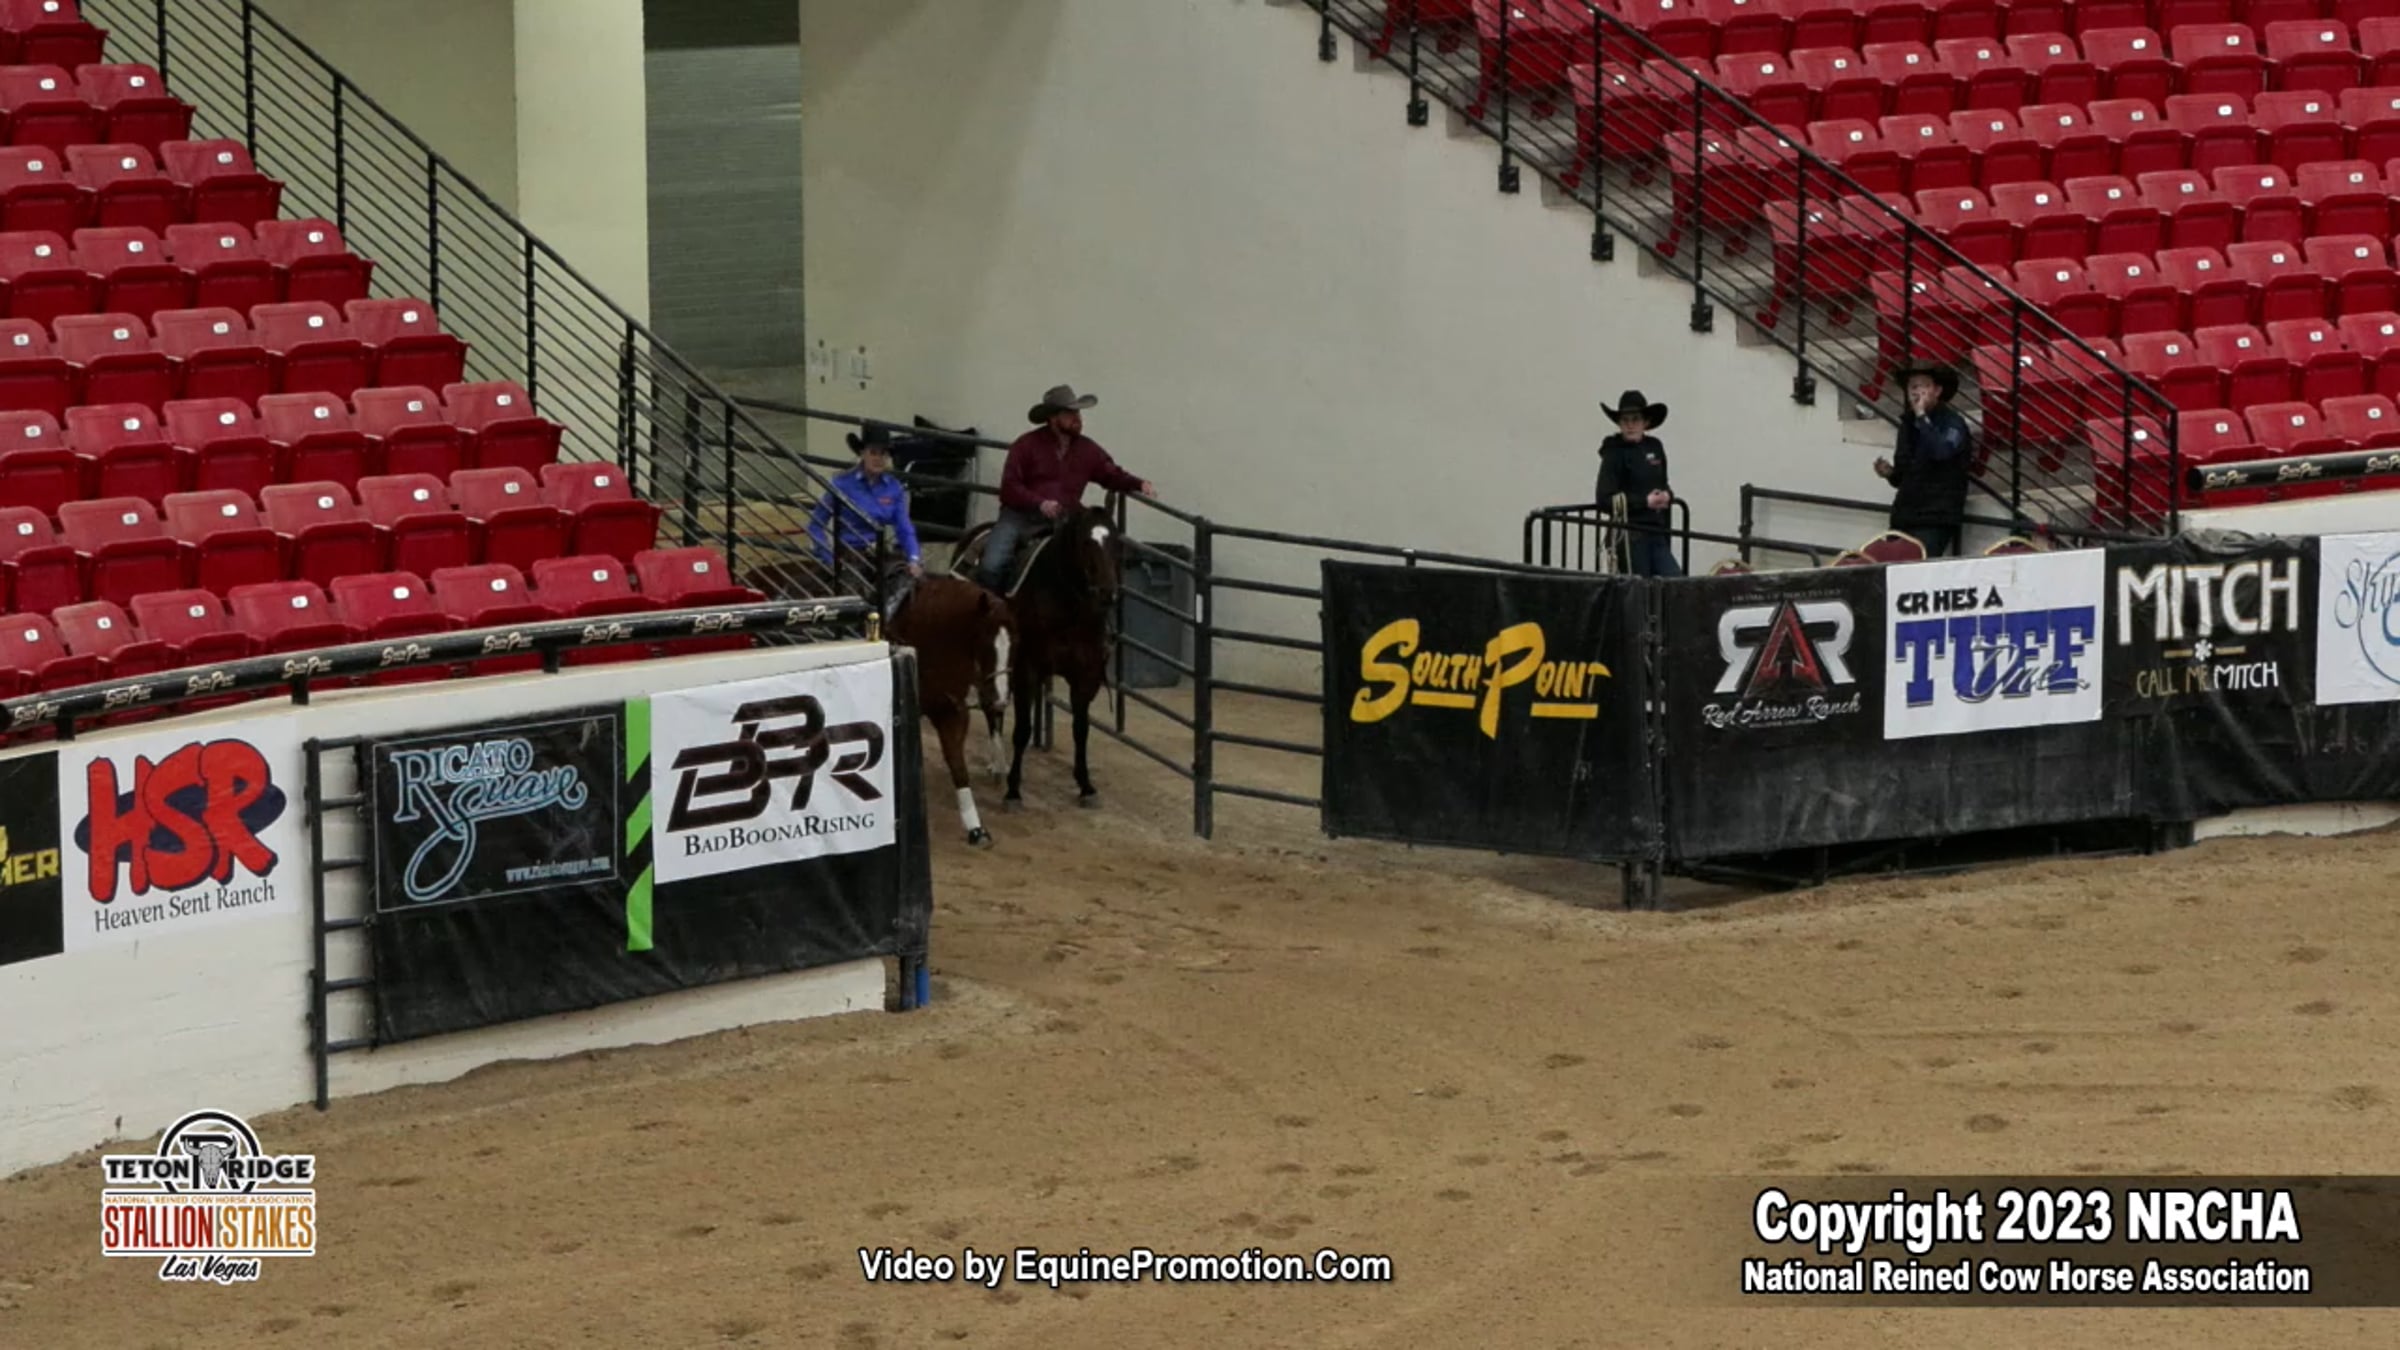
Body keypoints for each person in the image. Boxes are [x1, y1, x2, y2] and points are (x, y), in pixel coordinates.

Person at [974, 383, 1156, 592]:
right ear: (1053, 418)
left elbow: (1110, 473)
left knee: (1097, 557)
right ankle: (994, 613)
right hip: (1019, 517)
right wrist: (1039, 503)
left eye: (1077, 412)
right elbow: (1010, 486)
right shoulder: (1025, 445)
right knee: (991, 566)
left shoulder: (1087, 450)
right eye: (1069, 413)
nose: (1077, 418)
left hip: (1066, 519)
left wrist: (1138, 483)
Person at [809, 424, 922, 601]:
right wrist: (830, 559)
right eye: (873, 452)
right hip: (850, 554)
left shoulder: (894, 488)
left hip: (881, 554)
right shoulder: (841, 485)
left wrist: (913, 557)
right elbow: (815, 525)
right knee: (852, 598)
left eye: (883, 453)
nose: (878, 458)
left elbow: (904, 527)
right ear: (862, 454)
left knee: (909, 589)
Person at [1874, 363, 1973, 557]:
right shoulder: (1908, 423)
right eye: (1913, 387)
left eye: (1923, 387)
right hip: (1905, 515)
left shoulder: (1952, 423)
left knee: (1919, 566)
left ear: (1937, 391)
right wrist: (1890, 473)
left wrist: (1922, 418)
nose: (1917, 392)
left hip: (1935, 517)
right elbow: (1904, 475)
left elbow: (1941, 452)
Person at [1594, 389, 1681, 577]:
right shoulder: (1613, 453)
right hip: (1630, 536)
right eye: (1625, 420)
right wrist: (1644, 501)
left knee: (1674, 581)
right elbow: (1603, 498)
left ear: (1645, 422)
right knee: (1639, 589)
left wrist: (1667, 496)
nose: (1630, 425)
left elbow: (1663, 482)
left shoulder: (1655, 446)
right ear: (1619, 423)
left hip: (1656, 531)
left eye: (1635, 419)